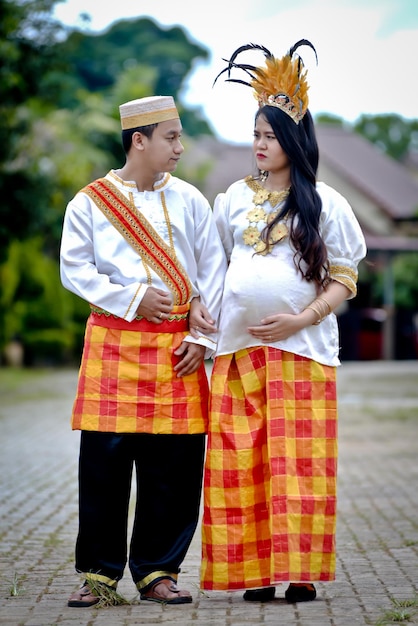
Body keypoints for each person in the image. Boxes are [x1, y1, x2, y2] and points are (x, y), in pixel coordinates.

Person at [193, 40, 367, 604]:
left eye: (269, 136)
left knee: (298, 468)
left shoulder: (328, 204)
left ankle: (299, 574)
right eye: (256, 134)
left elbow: (344, 277)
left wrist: (301, 319)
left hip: (304, 353)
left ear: (292, 140)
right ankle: (255, 575)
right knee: (243, 464)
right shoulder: (231, 200)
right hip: (238, 352)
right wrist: (204, 322)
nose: (259, 145)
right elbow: (215, 270)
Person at [60, 95, 227, 607]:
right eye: (171, 137)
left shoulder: (192, 200)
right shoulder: (89, 201)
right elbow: (75, 270)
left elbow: (214, 270)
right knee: (104, 467)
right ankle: (99, 575)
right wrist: (132, 297)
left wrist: (203, 338)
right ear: (140, 140)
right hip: (113, 345)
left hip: (178, 349)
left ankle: (159, 571)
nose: (180, 146)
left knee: (173, 469)